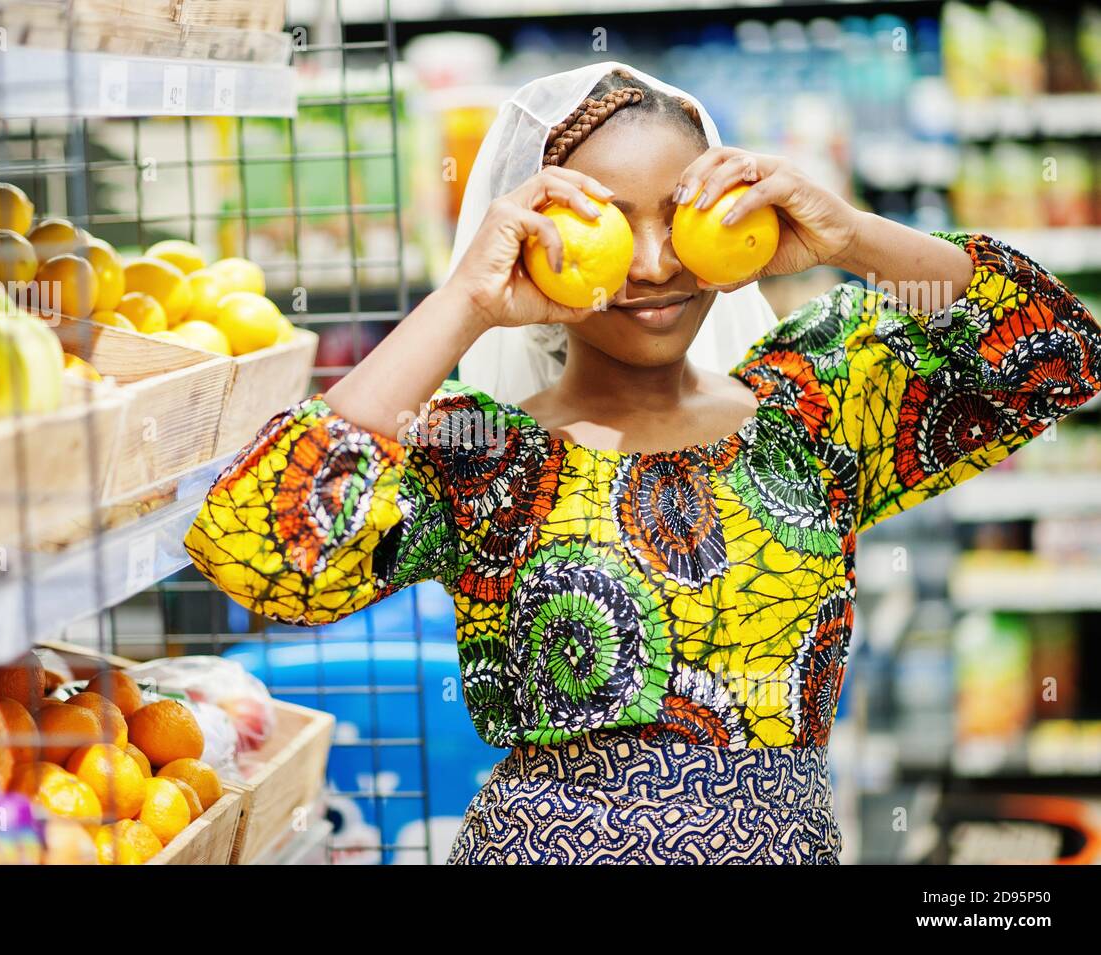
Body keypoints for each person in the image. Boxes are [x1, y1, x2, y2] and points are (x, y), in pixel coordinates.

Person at [184, 62, 1101, 864]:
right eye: (614, 226)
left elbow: (1056, 351)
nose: (656, 262)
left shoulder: (813, 410)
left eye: (681, 216)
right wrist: (465, 297)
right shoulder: (482, 453)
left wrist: (850, 233)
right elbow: (258, 549)